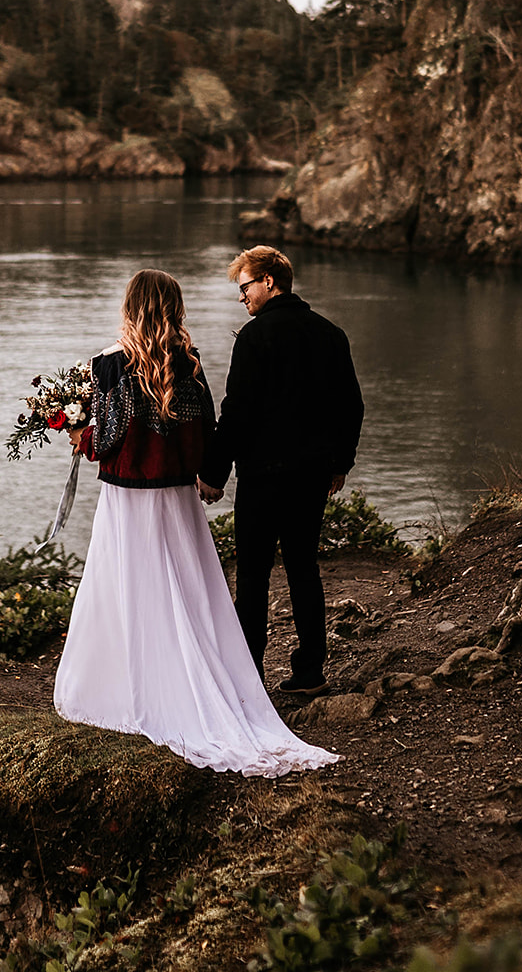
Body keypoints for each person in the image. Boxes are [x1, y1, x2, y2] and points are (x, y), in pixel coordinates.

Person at [53, 268, 337, 777]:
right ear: (174, 306)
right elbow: (205, 427)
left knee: (128, 584)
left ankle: (128, 682)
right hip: (177, 495)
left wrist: (81, 437)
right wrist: (208, 472)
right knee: (185, 585)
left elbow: (112, 436)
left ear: (130, 306)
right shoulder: (191, 364)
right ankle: (202, 676)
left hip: (129, 498)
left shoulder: (112, 363)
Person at [198, 246, 364, 697]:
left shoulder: (256, 338)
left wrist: (213, 471)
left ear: (269, 282)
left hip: (264, 478)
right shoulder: (330, 334)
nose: (241, 297)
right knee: (303, 569)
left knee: (252, 574)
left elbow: (237, 412)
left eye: (245, 286)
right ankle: (310, 671)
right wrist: (340, 464)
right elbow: (350, 407)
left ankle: (249, 674)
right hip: (312, 477)